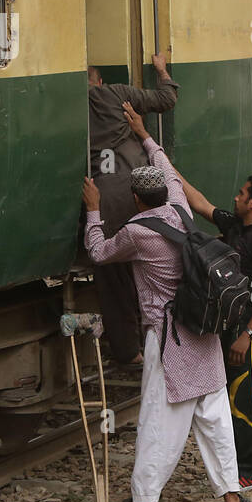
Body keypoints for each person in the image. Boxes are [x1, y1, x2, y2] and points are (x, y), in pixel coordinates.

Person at [81, 102, 250, 502]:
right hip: (204, 330)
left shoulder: (138, 232)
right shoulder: (181, 208)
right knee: (214, 417)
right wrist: (145, 134)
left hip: (169, 337)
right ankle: (231, 499)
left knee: (161, 420)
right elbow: (165, 166)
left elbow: (99, 252)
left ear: (137, 198)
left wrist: (94, 209)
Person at [178, 173, 252, 489]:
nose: (235, 197)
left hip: (249, 333)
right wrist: (159, 158)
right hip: (231, 326)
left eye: (242, 194)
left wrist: (248, 335)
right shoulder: (236, 226)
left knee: (248, 397)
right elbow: (199, 201)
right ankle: (238, 463)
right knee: (230, 396)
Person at [87, 48, 180, 366]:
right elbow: (167, 100)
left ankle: (130, 350)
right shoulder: (117, 93)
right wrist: (162, 71)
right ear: (99, 80)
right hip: (141, 190)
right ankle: (165, 342)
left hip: (105, 199)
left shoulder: (69, 107)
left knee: (113, 275)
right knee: (156, 266)